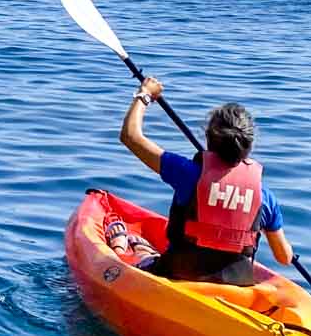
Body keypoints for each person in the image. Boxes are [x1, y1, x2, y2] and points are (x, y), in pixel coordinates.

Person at [114, 76, 295, 286]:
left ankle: (131, 244)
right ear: (248, 146)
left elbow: (130, 136)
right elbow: (284, 258)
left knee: (138, 249)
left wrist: (144, 94)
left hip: (178, 276)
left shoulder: (186, 173)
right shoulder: (265, 198)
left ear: (208, 138)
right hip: (236, 285)